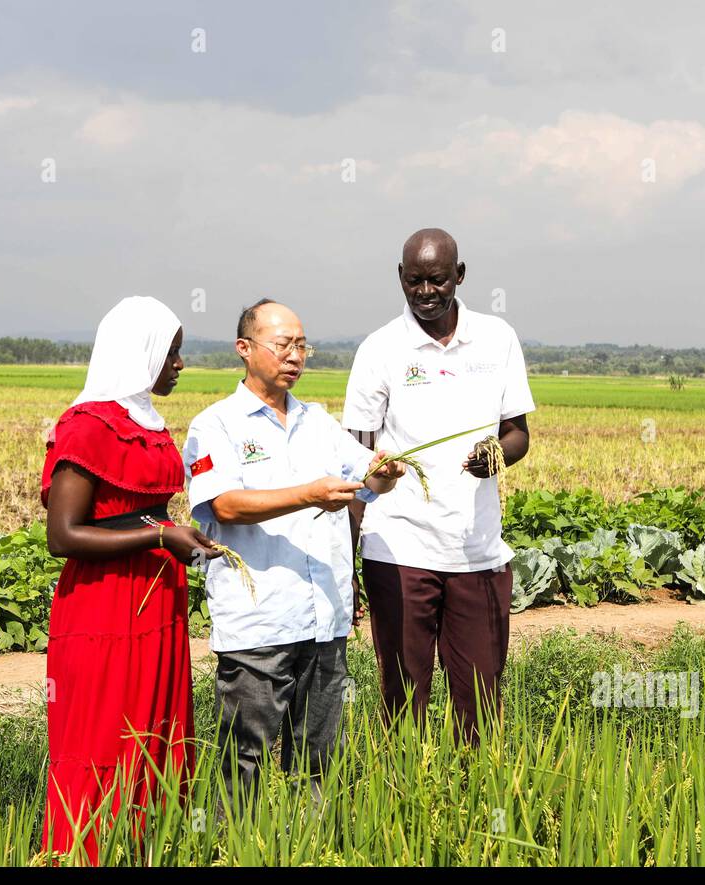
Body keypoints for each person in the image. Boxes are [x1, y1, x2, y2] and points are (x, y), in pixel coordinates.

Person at [182, 298, 404, 805]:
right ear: (244, 348)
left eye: (301, 346)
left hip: (324, 619)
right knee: (242, 761)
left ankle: (312, 849)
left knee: (319, 764)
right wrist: (308, 493)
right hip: (259, 623)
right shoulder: (215, 425)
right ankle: (231, 852)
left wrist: (385, 473)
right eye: (282, 345)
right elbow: (224, 504)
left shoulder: (319, 422)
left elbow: (365, 478)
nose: (295, 356)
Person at [39, 295, 222, 864]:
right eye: (171, 351)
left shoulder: (147, 421)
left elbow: (149, 511)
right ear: (139, 351)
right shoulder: (87, 427)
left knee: (155, 735)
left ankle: (148, 852)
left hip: (155, 604)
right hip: (102, 607)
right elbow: (63, 535)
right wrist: (159, 538)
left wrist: (174, 535)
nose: (180, 363)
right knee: (99, 740)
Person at [343, 228, 535, 744]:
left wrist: (497, 454)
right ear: (400, 278)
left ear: (460, 276)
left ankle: (473, 806)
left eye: (437, 280)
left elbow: (517, 434)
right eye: (414, 281)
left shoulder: (497, 340)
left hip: (477, 550)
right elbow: (356, 458)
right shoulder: (380, 349)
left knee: (480, 701)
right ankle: (401, 805)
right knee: (402, 699)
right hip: (399, 549)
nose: (425, 292)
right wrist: (349, 550)